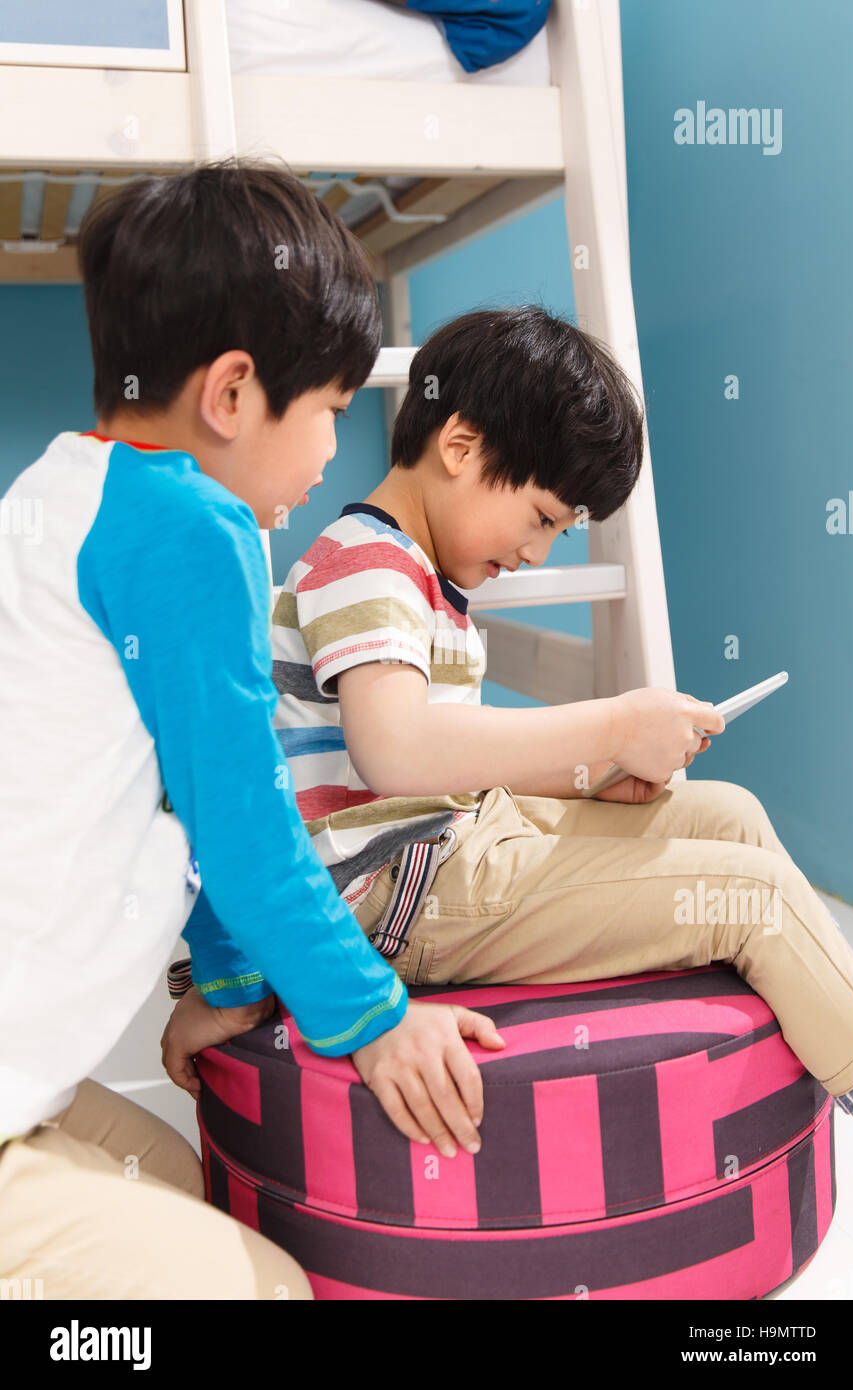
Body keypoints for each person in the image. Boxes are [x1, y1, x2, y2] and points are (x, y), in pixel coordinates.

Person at [163, 305, 853, 1143]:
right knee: (755, 899)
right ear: (459, 448)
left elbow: (449, 760)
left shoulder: (417, 574)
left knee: (732, 814)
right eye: (541, 519)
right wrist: (610, 726)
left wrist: (592, 775)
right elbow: (396, 752)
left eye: (562, 531)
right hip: (399, 892)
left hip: (448, 844)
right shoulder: (365, 566)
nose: (539, 554)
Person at [0, 158, 508, 1302]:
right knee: (262, 1290)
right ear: (232, 395)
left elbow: (186, 790)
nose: (335, 453)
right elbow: (244, 816)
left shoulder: (62, 494)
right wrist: (374, 1018)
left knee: (179, 1183)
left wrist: (228, 976)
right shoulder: (190, 526)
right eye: (329, 410)